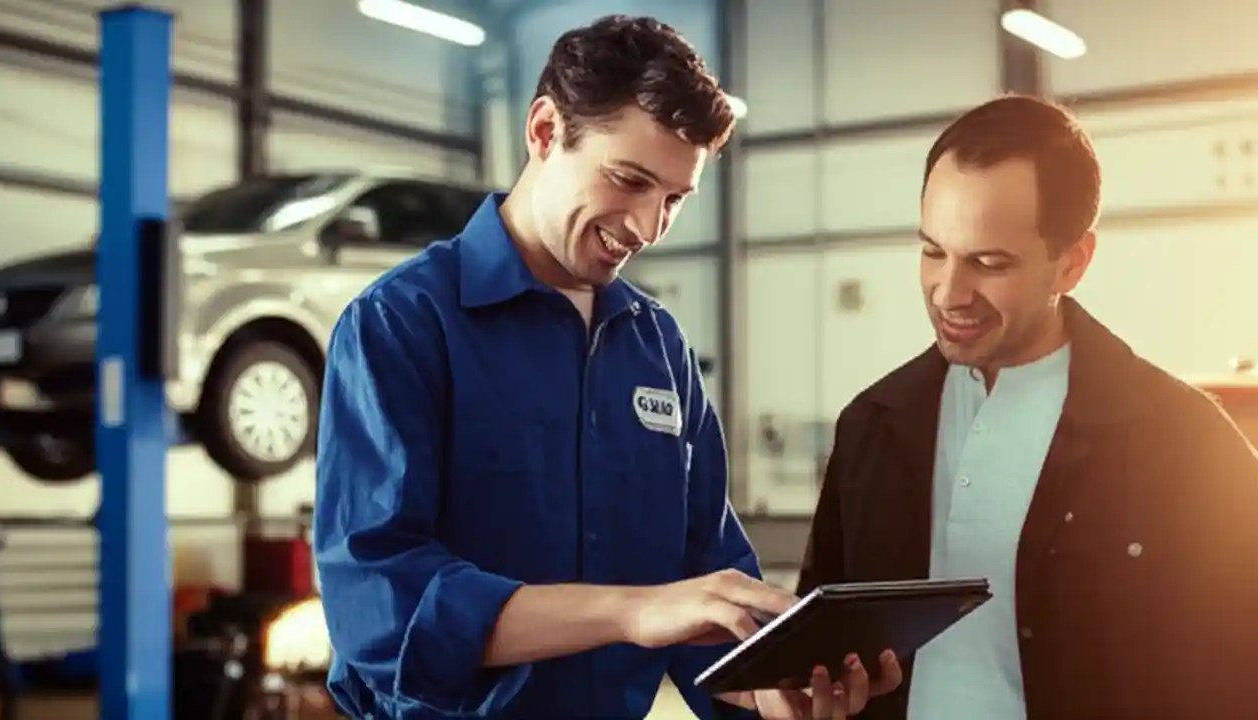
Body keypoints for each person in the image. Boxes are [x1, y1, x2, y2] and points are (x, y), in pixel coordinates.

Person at [313, 14, 900, 720]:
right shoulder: (402, 324)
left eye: (675, 200)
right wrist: (631, 612)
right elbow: (379, 607)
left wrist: (773, 691)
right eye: (629, 179)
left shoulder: (659, 349)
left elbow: (702, 600)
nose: (649, 226)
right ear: (543, 131)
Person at [797, 94, 1258, 719]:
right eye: (933, 251)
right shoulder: (873, 427)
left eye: (988, 263)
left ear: (1072, 262)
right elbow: (815, 653)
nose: (949, 292)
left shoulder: (1187, 445)